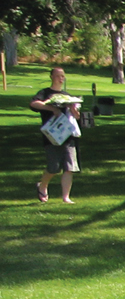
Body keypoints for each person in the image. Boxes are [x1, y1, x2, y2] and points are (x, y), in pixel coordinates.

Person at [27, 66, 81, 204]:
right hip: (52, 135)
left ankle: (66, 197)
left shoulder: (67, 95)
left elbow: (77, 117)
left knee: (69, 167)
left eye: (63, 76)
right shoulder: (45, 93)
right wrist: (51, 108)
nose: (61, 78)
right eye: (58, 75)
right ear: (51, 77)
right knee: (53, 167)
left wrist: (73, 109)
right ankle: (43, 185)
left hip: (68, 135)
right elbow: (34, 104)